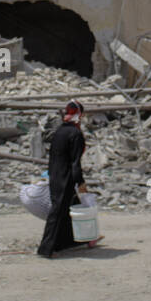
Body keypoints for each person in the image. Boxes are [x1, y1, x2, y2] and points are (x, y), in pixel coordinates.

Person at [36, 100, 103, 257]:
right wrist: (80, 182)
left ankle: (65, 244)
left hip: (55, 175)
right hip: (65, 178)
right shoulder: (75, 134)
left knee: (66, 210)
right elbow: (75, 162)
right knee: (58, 212)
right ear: (80, 115)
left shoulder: (59, 131)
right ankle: (46, 249)